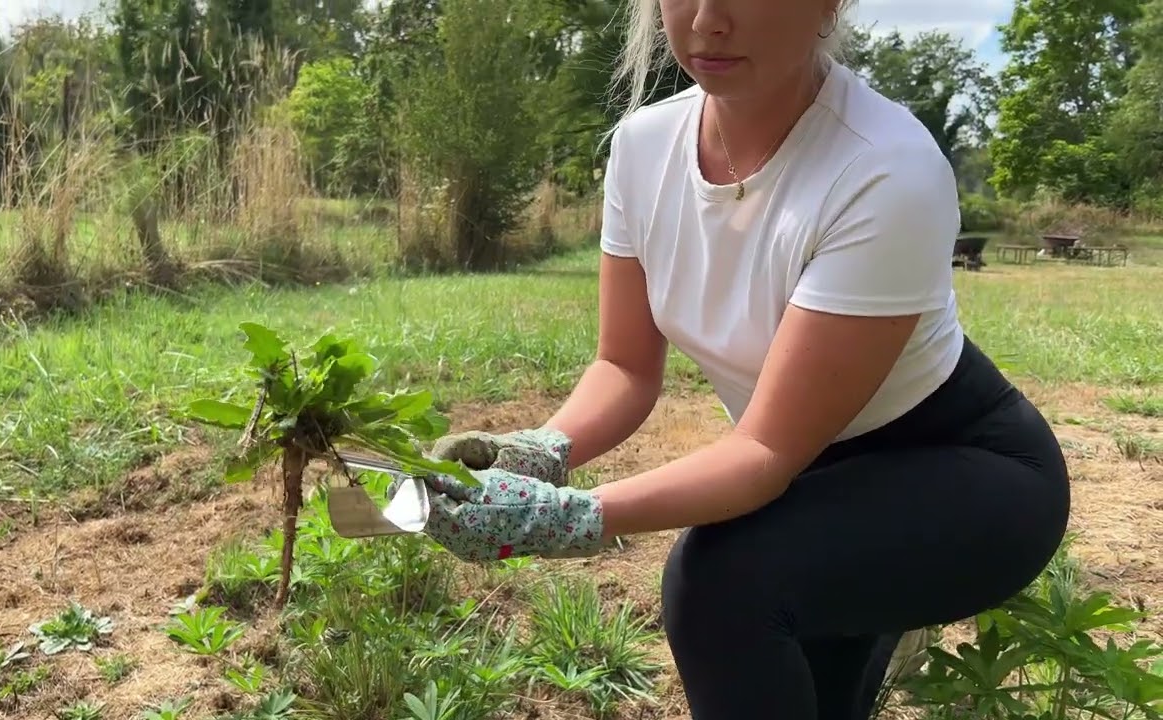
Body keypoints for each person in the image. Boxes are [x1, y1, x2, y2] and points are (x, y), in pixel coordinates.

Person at [410, 0, 1072, 718]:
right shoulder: (642, 146)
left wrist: (564, 516)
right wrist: (539, 451)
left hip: (960, 471)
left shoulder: (887, 168)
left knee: (721, 584)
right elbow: (625, 367)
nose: (707, 20)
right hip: (814, 478)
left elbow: (761, 451)